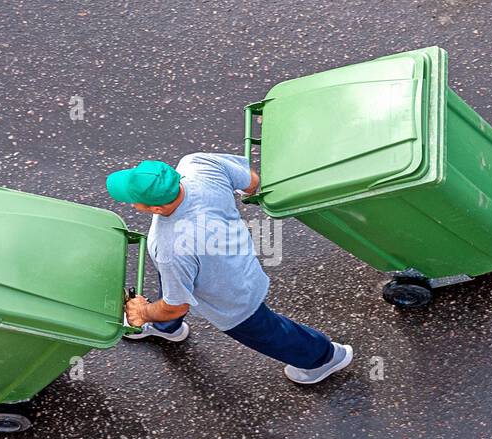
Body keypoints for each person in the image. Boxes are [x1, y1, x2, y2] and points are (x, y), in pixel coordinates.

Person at [106, 154, 353, 385]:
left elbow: (176, 305)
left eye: (132, 199)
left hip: (232, 297)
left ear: (156, 209)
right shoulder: (198, 165)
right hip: (237, 260)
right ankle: (167, 328)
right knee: (175, 282)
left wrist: (144, 312)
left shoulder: (170, 248)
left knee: (267, 331)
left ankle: (325, 358)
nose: (132, 203)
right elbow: (251, 183)